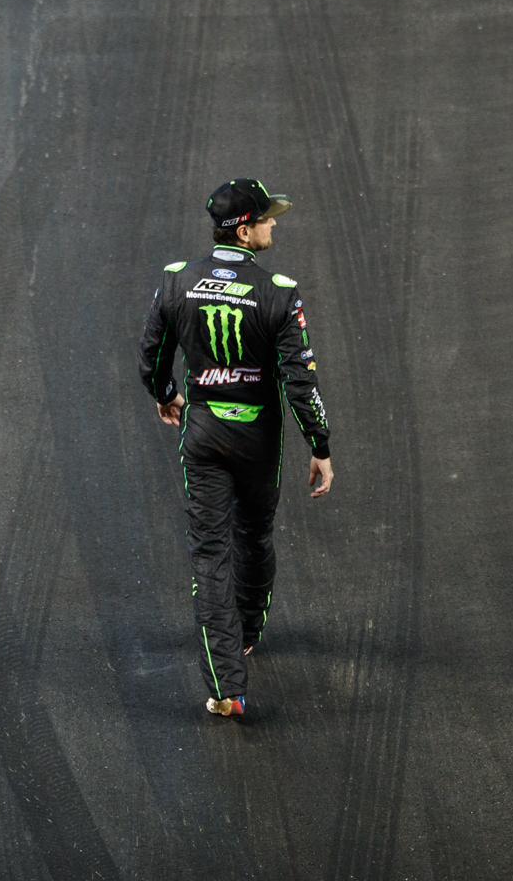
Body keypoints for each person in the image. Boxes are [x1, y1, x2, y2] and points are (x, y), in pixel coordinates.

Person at [137, 178, 333, 718]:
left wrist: (167, 394)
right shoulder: (278, 291)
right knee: (254, 534)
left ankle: (227, 685)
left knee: (209, 554)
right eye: (268, 219)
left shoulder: (177, 282)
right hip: (256, 442)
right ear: (244, 230)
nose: (274, 225)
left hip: (202, 434)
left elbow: (151, 358)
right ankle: (247, 629)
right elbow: (300, 381)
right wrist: (319, 444)